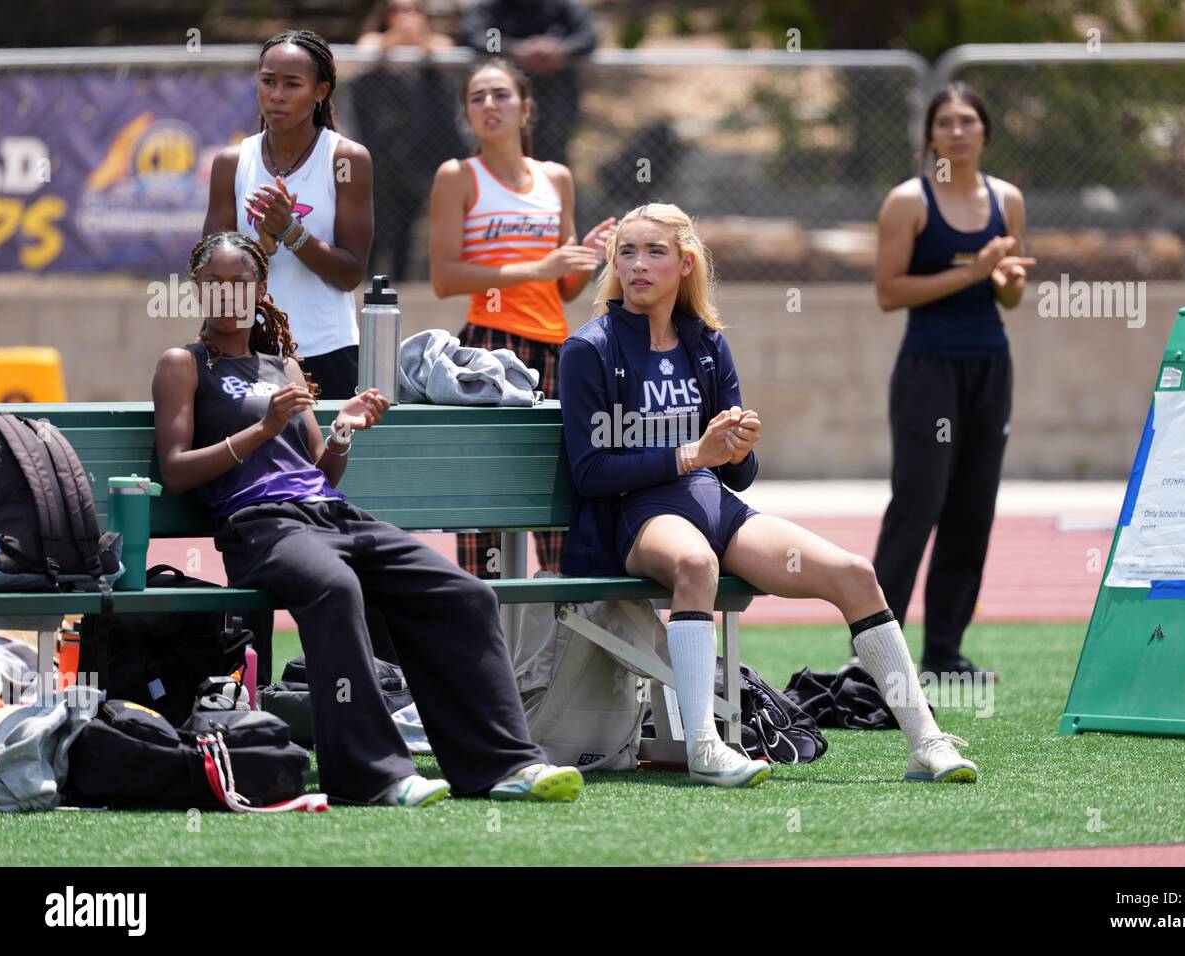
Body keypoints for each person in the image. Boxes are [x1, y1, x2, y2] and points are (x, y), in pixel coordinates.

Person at [152, 230, 585, 807]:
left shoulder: (280, 364)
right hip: (258, 525)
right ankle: (373, 774)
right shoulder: (183, 365)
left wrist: (342, 430)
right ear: (197, 292)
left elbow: (318, 472)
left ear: (260, 289)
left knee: (463, 593)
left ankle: (500, 765)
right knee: (335, 589)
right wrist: (261, 429)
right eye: (214, 285)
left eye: (241, 283)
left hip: (329, 513)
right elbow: (176, 470)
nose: (228, 296)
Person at [559, 204, 980, 786]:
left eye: (655, 252)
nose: (638, 265)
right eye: (626, 252)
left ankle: (926, 742)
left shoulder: (705, 343)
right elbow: (589, 472)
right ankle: (704, 747)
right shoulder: (590, 349)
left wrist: (736, 449)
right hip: (634, 517)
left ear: (685, 264)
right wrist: (690, 455)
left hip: (713, 505)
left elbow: (739, 476)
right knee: (694, 563)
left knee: (855, 572)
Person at [872, 83, 1034, 681]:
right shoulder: (907, 202)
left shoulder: (1007, 199)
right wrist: (974, 272)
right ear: (930, 136)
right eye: (946, 123)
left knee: (973, 508)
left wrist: (1004, 277)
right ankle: (873, 655)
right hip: (927, 371)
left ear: (985, 133)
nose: (958, 132)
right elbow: (889, 293)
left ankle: (944, 653)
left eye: (969, 121)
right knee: (918, 505)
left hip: (990, 366)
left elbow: (1011, 295)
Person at [429, 58, 613, 578]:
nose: (490, 105)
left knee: (556, 489)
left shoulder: (556, 178)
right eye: (478, 97)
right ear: (467, 113)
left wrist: (586, 256)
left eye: (501, 95)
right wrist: (541, 264)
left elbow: (566, 287)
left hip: (555, 347)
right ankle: (478, 627)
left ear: (526, 109)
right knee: (485, 492)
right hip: (487, 346)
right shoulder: (458, 176)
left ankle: (559, 624)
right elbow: (445, 277)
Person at [203, 29, 372, 401]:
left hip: (328, 350)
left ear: (320, 92)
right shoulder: (231, 163)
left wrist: (291, 232)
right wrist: (259, 249)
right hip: (244, 348)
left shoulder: (346, 160)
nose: (277, 95)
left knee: (325, 459)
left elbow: (350, 273)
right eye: (268, 81)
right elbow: (209, 278)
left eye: (292, 84)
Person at [352, 1, 464, 282]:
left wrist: (419, 40)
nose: (406, 16)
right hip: (379, 153)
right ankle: (365, 285)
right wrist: (397, 39)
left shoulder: (434, 43)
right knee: (374, 228)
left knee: (408, 228)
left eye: (413, 10)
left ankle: (403, 284)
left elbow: (447, 56)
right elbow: (360, 57)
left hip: (420, 155)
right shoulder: (374, 41)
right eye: (398, 10)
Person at [459, 0, 598, 167]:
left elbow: (587, 37)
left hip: (555, 105)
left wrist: (560, 50)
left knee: (551, 162)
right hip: (502, 112)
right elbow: (476, 37)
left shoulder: (564, 7)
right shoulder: (492, 7)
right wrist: (514, 50)